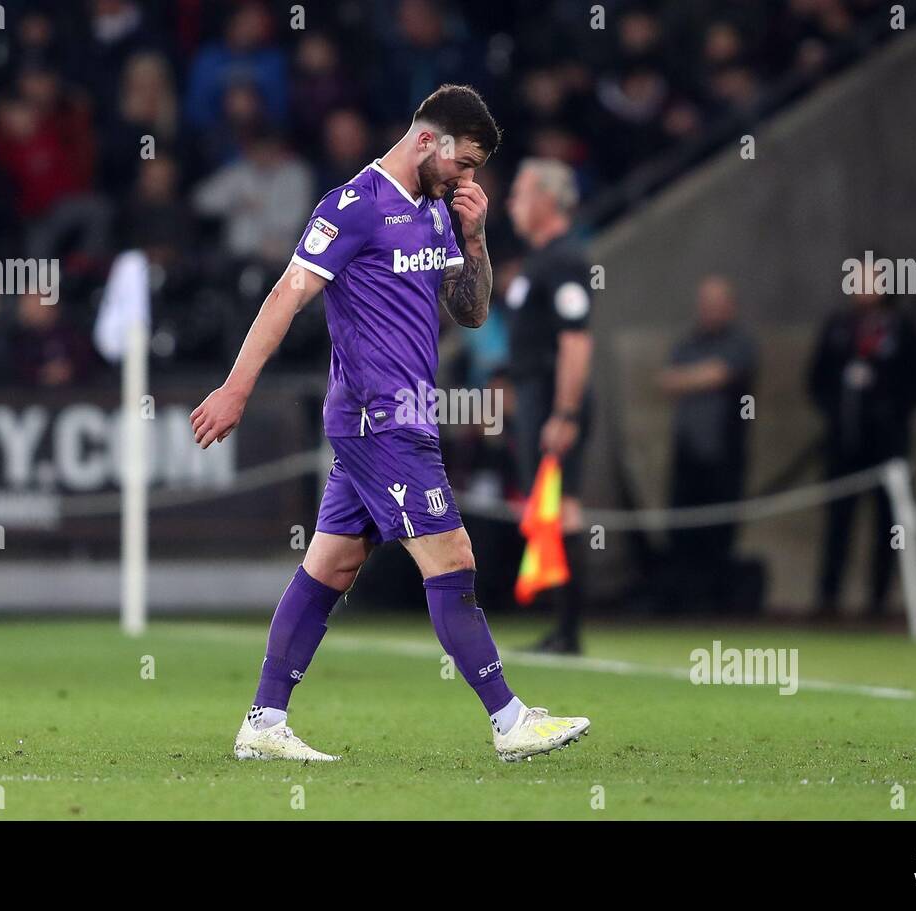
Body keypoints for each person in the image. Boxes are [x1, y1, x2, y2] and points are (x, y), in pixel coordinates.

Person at [190, 85, 590, 763]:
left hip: (405, 416)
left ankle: (263, 720)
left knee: (332, 564)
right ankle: (510, 718)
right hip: (380, 418)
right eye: (463, 162)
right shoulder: (353, 207)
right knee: (454, 556)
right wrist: (235, 388)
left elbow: (469, 312)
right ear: (427, 140)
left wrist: (476, 236)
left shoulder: (438, 211)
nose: (467, 178)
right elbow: (288, 293)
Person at [502, 158, 594, 654]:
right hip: (537, 397)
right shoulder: (538, 260)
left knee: (565, 510)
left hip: (554, 399)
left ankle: (570, 630)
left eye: (519, 192)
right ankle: (561, 627)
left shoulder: (563, 260)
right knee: (548, 511)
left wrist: (565, 413)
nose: (513, 203)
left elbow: (576, 342)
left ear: (545, 200)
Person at [808, 261, 916, 617]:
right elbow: (815, 382)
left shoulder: (903, 330)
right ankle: (828, 600)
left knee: (887, 527)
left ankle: (878, 601)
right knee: (837, 525)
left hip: (886, 447)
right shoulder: (838, 328)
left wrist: (885, 400)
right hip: (844, 445)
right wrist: (838, 405)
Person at [658, 276, 758, 610]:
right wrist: (698, 377)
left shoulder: (741, 343)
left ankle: (718, 606)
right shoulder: (689, 343)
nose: (710, 310)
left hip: (724, 456)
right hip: (688, 455)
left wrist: (691, 377)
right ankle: (685, 603)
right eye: (706, 303)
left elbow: (721, 373)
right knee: (683, 532)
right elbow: (667, 380)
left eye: (717, 303)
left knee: (720, 533)